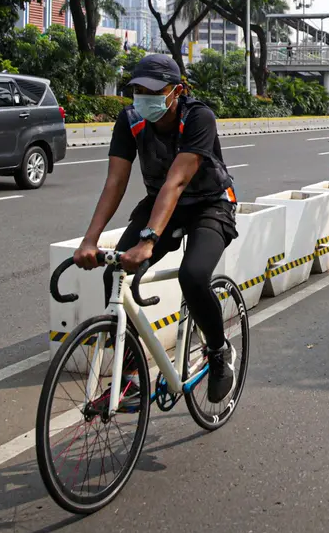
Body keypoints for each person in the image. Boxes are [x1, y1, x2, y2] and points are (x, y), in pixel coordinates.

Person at [73, 54, 239, 404]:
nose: (142, 96)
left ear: (176, 91)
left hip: (210, 203)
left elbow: (177, 181)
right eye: (136, 89)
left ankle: (218, 350)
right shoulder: (130, 120)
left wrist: (148, 241)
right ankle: (131, 374)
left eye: (152, 90)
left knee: (193, 276)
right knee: (113, 273)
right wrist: (90, 240)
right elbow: (115, 182)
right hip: (162, 205)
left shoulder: (198, 117)